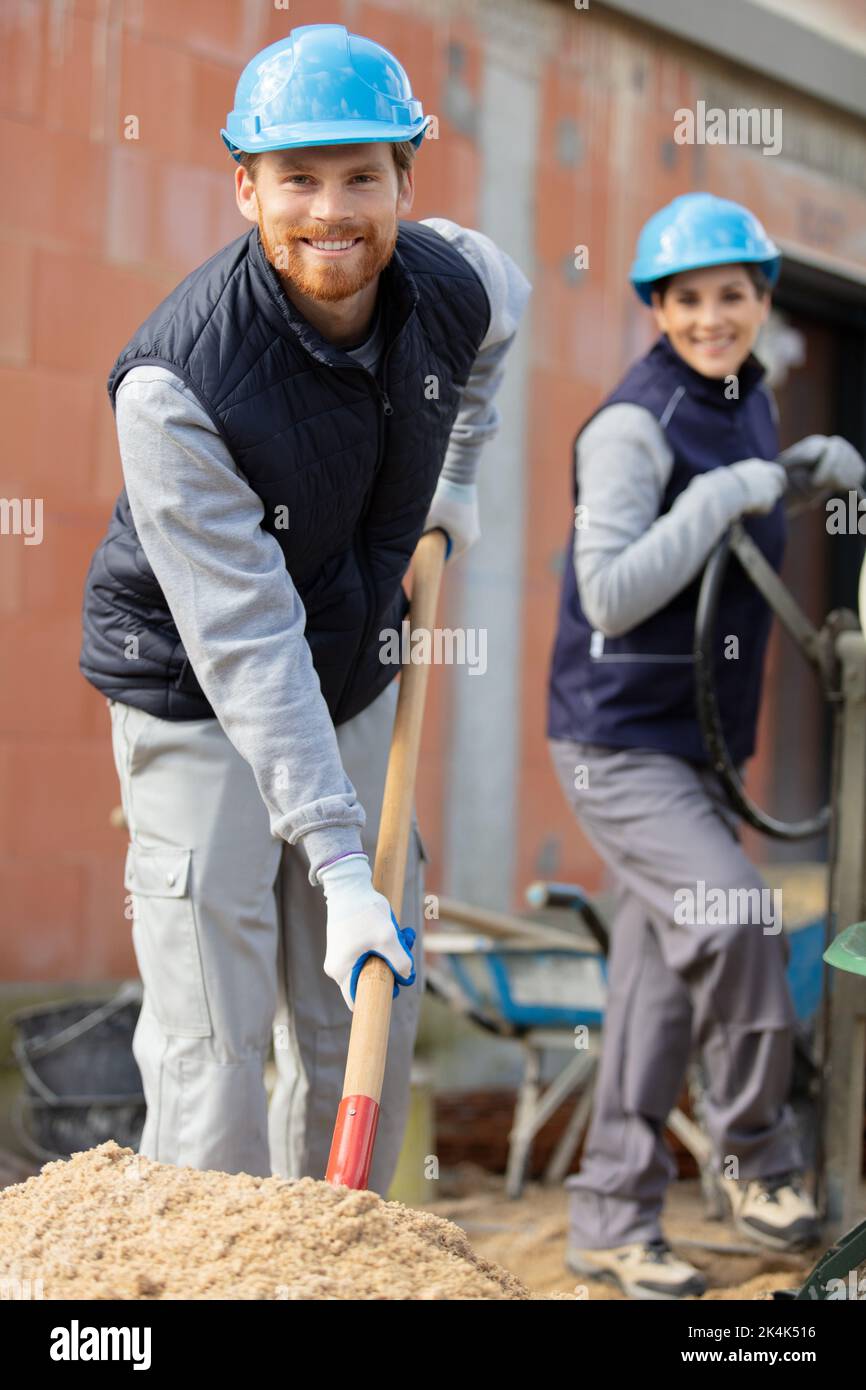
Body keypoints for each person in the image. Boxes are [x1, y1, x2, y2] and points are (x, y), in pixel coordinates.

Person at [79, 22, 530, 1192]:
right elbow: (243, 639)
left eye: (360, 176)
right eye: (296, 178)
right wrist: (334, 862)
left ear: (404, 184)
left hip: (353, 658)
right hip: (195, 688)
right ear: (245, 188)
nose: (331, 211)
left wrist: (460, 482)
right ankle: (210, 1278)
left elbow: (499, 330)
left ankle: (339, 1266)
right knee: (218, 1034)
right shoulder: (176, 387)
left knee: (363, 1000)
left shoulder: (456, 281)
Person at [546, 192, 865, 1298]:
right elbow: (613, 590)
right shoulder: (631, 425)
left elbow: (746, 511)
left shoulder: (750, 403)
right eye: (685, 298)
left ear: (760, 299)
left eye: (730, 294)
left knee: (652, 992)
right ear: (655, 307)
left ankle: (609, 1219)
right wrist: (732, 490)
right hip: (617, 741)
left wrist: (799, 467)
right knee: (735, 911)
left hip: (699, 751)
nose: (709, 316)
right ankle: (756, 1158)